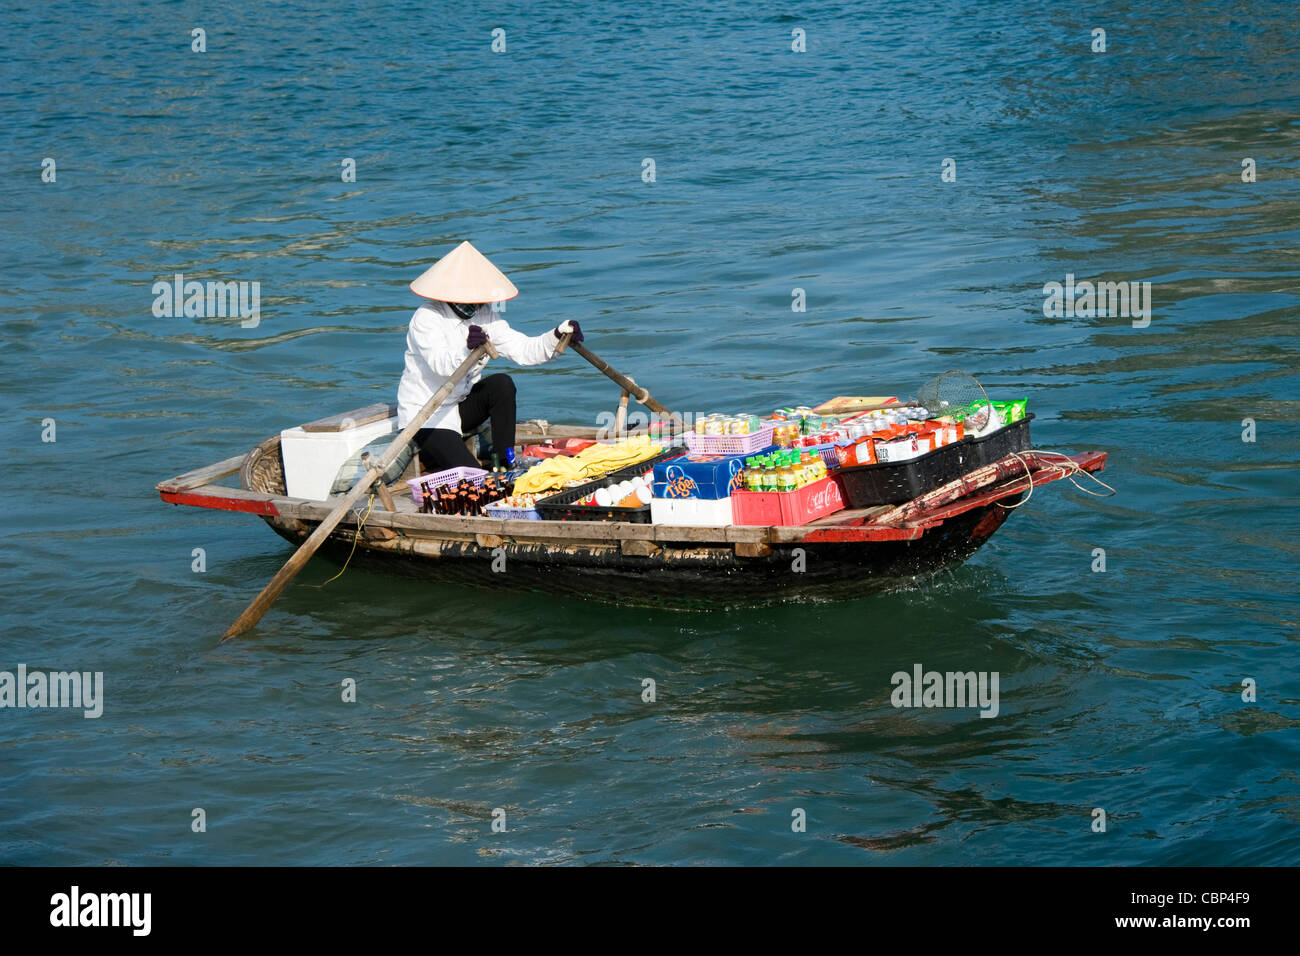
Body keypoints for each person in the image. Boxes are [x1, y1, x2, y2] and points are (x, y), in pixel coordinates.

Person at [396, 240, 584, 473]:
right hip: (427, 413)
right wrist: (467, 349)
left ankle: (504, 462)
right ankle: (481, 471)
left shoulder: (485, 315)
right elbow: (441, 365)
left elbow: (523, 348)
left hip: (459, 405)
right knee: (473, 473)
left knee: (501, 384)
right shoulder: (427, 317)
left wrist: (556, 336)